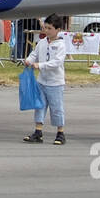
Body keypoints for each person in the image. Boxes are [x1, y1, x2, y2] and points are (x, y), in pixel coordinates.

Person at [22, 13, 67, 145]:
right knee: (39, 106)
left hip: (55, 83)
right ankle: (38, 131)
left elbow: (57, 62)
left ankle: (60, 132)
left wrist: (40, 65)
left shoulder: (61, 45)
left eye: (49, 28)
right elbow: (34, 54)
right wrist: (29, 60)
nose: (46, 31)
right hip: (42, 81)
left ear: (58, 29)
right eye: (45, 27)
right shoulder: (42, 42)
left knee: (56, 108)